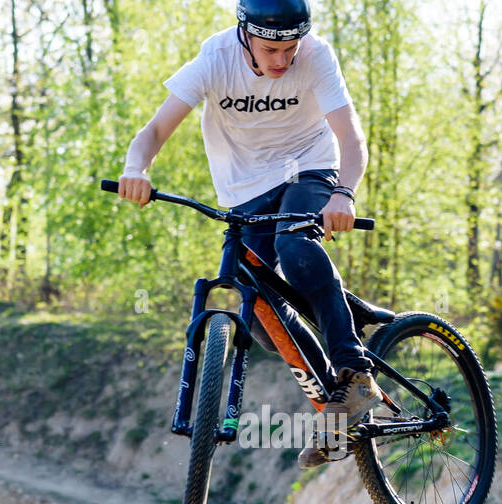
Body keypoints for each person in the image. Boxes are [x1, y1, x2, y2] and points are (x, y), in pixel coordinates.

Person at [117, 0, 381, 469]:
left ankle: (355, 370)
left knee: (293, 243)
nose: (281, 61)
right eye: (269, 50)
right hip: (244, 189)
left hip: (310, 168)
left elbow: (350, 137)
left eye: (290, 49)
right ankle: (336, 410)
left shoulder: (316, 56)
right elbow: (156, 128)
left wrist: (344, 194)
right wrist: (135, 169)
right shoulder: (215, 59)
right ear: (244, 35)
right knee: (256, 310)